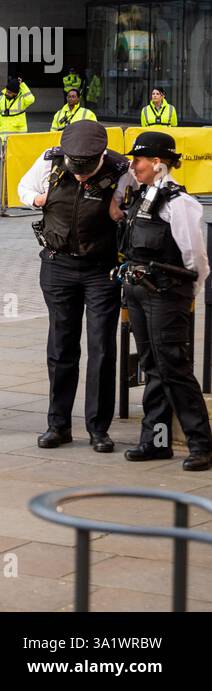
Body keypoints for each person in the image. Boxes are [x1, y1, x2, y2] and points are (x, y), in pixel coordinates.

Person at [18, 120, 130, 453]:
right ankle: (58, 425)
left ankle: (99, 429)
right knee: (61, 346)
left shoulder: (121, 170)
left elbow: (134, 211)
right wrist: (37, 199)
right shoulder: (51, 161)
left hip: (101, 269)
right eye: (75, 167)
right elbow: (23, 188)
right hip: (58, 265)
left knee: (101, 348)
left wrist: (120, 212)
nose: (80, 175)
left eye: (88, 168)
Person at [116, 132, 210, 471]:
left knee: (175, 368)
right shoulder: (143, 196)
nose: (133, 165)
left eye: (139, 160)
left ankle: (201, 444)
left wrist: (188, 294)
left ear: (159, 163)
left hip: (167, 293)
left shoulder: (179, 203)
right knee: (152, 366)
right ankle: (155, 441)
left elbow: (196, 259)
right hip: (140, 291)